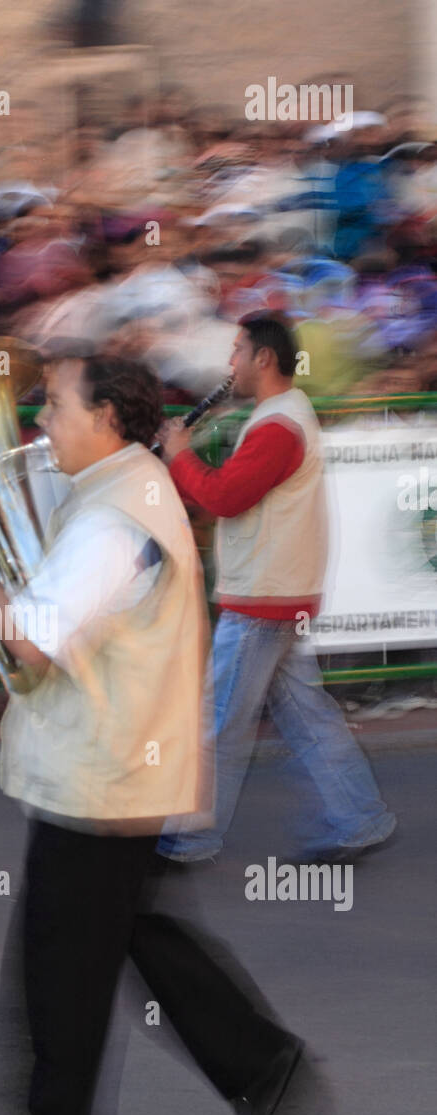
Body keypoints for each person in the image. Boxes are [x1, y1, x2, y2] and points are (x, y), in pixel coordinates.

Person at [0, 349, 329, 1115]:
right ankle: (266, 1069)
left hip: (103, 775)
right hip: (118, 771)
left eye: (55, 405)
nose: (41, 420)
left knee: (60, 965)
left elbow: (37, 642)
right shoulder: (122, 495)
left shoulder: (116, 520)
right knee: (140, 939)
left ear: (108, 419)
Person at [158, 312, 395, 863]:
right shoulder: (282, 416)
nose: (230, 363)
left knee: (216, 720)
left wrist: (179, 456)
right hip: (278, 594)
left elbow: (224, 498)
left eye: (237, 351)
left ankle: (188, 834)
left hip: (263, 597)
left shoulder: (275, 426)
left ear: (264, 358)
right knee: (308, 717)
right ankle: (360, 818)